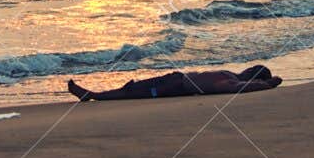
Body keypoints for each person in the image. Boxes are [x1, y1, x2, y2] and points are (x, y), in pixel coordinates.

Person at [67, 64, 282, 102]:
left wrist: (270, 84)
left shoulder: (232, 82)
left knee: (133, 92)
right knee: (134, 86)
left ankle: (92, 95)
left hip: (174, 88)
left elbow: (244, 88)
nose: (248, 70)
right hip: (175, 79)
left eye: (252, 71)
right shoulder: (232, 75)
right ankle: (93, 94)